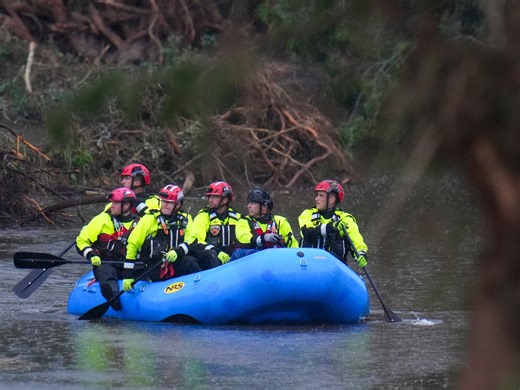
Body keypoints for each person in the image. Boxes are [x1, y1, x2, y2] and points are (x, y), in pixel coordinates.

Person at [123, 184, 217, 289]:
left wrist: (177, 251)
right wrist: (128, 275)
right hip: (156, 266)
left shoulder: (185, 220)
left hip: (178, 258)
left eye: (169, 203)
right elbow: (132, 245)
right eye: (163, 201)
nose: (165, 205)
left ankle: (215, 284)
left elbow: (192, 241)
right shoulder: (149, 219)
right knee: (188, 262)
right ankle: (202, 289)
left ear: (178, 205)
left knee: (209, 255)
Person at [76, 187, 139, 311]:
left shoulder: (141, 223)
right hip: (107, 264)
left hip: (130, 265)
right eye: (112, 202)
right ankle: (114, 301)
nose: (112, 205)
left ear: (127, 205)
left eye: (116, 203)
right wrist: (91, 255)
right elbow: (81, 241)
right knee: (106, 271)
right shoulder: (102, 220)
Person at [298, 180, 368, 268]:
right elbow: (308, 233)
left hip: (334, 267)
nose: (316, 199)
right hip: (308, 265)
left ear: (331, 199)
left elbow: (357, 243)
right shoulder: (307, 214)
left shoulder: (345, 219)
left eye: (321, 196)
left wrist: (361, 255)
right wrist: (331, 227)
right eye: (317, 195)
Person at [191, 181, 249, 264]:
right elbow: (198, 241)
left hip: (231, 258)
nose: (210, 200)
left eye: (214, 197)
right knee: (210, 255)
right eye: (209, 197)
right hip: (211, 257)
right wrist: (217, 252)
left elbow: (246, 238)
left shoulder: (238, 218)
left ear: (225, 200)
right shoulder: (202, 217)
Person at [232, 188, 298, 259]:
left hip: (276, 260)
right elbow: (244, 241)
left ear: (264, 206)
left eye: (253, 203)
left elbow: (293, 245)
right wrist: (264, 238)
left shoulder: (280, 221)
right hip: (252, 261)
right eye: (249, 203)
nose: (248, 206)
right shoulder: (243, 222)